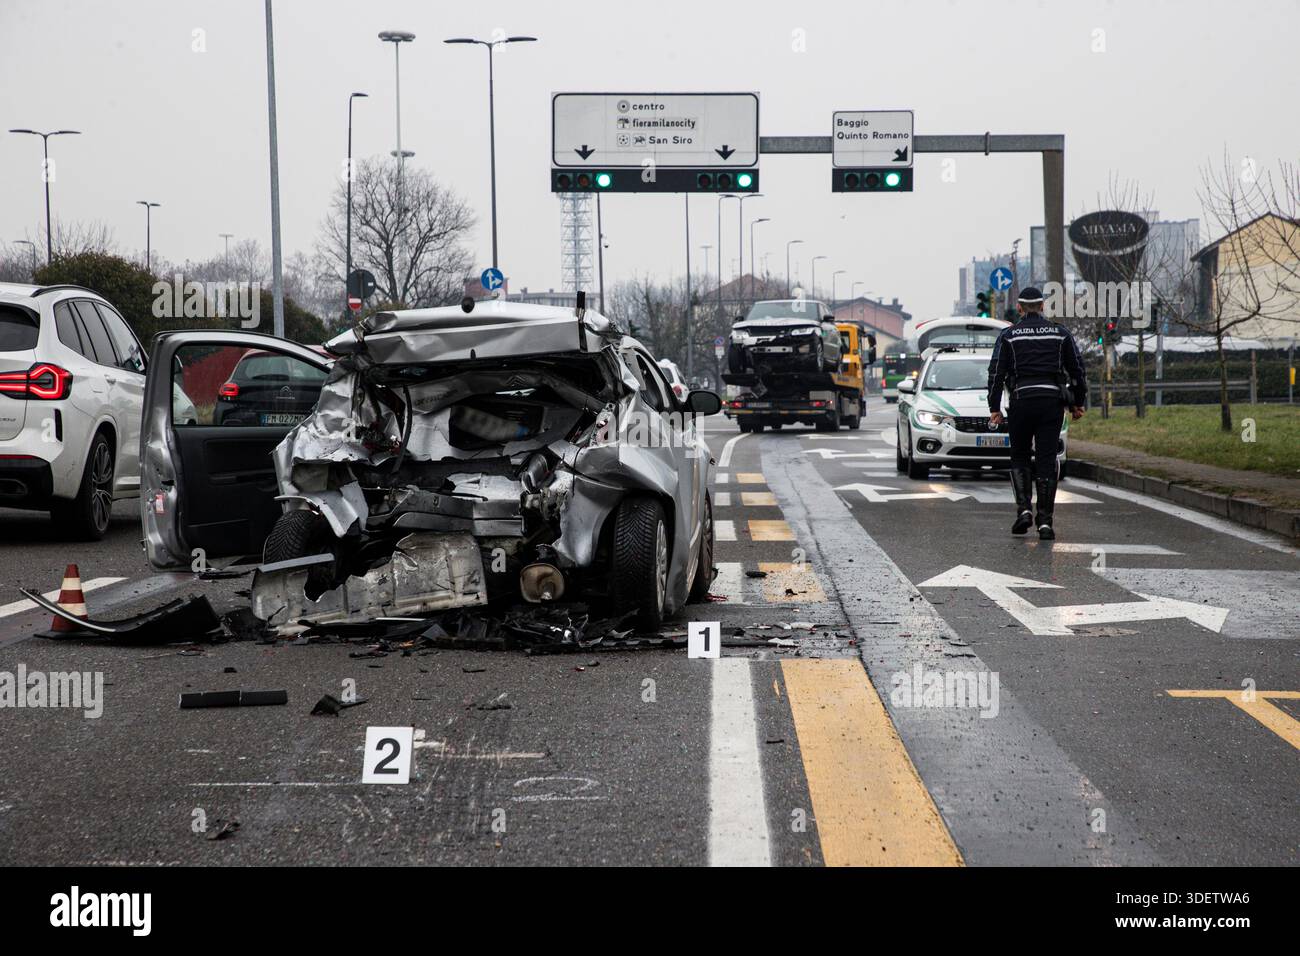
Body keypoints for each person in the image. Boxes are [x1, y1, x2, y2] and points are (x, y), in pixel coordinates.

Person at [986, 287, 1087, 540]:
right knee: (1046, 459)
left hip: (1021, 401)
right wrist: (1077, 402)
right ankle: (1045, 522)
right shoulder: (1060, 333)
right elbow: (1077, 370)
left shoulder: (1009, 336)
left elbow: (996, 373)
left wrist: (994, 408)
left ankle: (1023, 511)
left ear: (1019, 308)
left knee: (1019, 456)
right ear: (1043, 306)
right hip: (1051, 404)